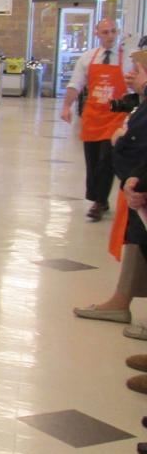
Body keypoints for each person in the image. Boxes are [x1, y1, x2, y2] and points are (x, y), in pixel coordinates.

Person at [74, 49, 147, 344]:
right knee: (135, 237)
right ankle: (121, 299)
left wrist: (139, 180)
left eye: (137, 70)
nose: (131, 74)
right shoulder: (91, 58)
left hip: (138, 180)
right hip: (131, 178)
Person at [60, 18, 129, 221]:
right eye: (105, 32)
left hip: (116, 119)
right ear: (97, 34)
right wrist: (66, 106)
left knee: (106, 161)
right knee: (92, 162)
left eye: (113, 32)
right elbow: (76, 84)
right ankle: (99, 198)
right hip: (93, 118)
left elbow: (135, 87)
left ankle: (99, 202)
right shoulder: (88, 58)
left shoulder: (126, 60)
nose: (110, 36)